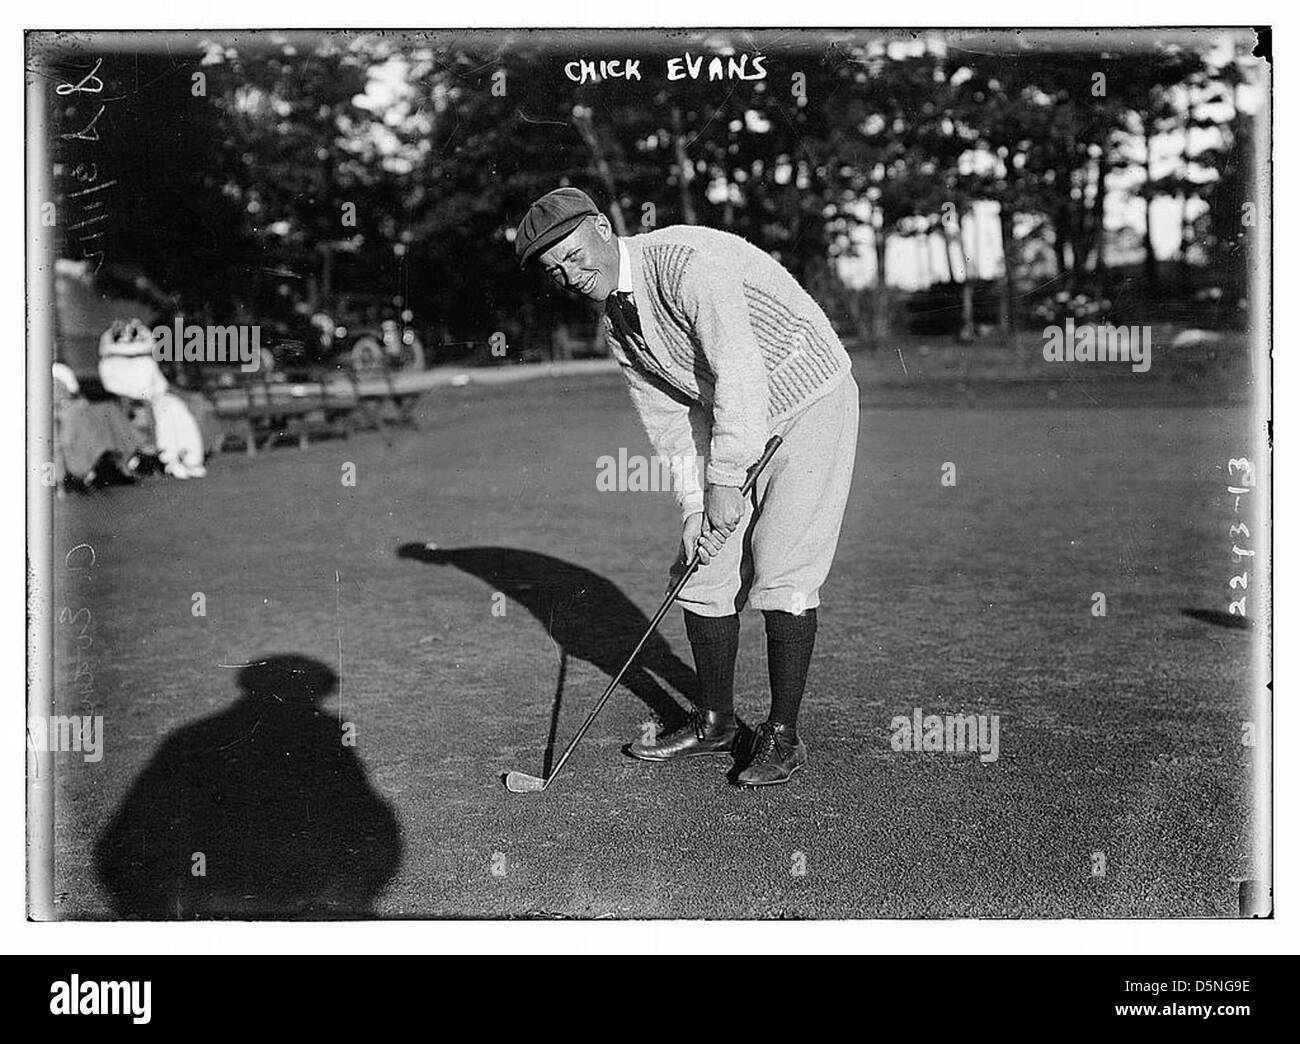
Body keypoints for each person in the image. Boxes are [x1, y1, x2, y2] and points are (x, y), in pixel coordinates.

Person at [514, 188, 859, 786]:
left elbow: (741, 371)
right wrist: (699, 501)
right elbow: (670, 419)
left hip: (808, 401)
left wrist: (727, 478)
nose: (571, 275)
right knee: (702, 567)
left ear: (602, 226)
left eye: (573, 254)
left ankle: (783, 734)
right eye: (555, 270)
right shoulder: (616, 325)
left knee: (781, 566)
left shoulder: (684, 265)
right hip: (737, 415)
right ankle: (716, 722)